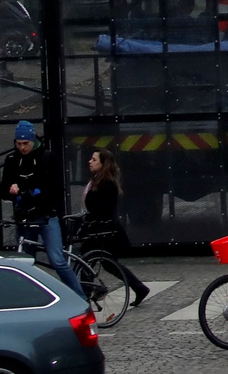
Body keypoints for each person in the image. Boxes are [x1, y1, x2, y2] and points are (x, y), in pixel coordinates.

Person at [2, 122, 81, 299]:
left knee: (57, 260)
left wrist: (29, 192)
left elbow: (54, 189)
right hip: (25, 217)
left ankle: (80, 298)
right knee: (24, 264)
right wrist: (11, 190)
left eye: (26, 143)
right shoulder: (12, 160)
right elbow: (4, 188)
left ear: (32, 140)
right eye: (19, 143)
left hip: (46, 216)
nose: (22, 147)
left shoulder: (47, 158)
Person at [76, 148, 146, 306]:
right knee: (106, 264)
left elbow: (103, 209)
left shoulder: (106, 183)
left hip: (103, 231)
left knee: (91, 263)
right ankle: (139, 287)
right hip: (97, 229)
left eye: (94, 160)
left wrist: (89, 218)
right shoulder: (97, 180)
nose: (90, 162)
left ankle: (84, 299)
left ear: (103, 164)